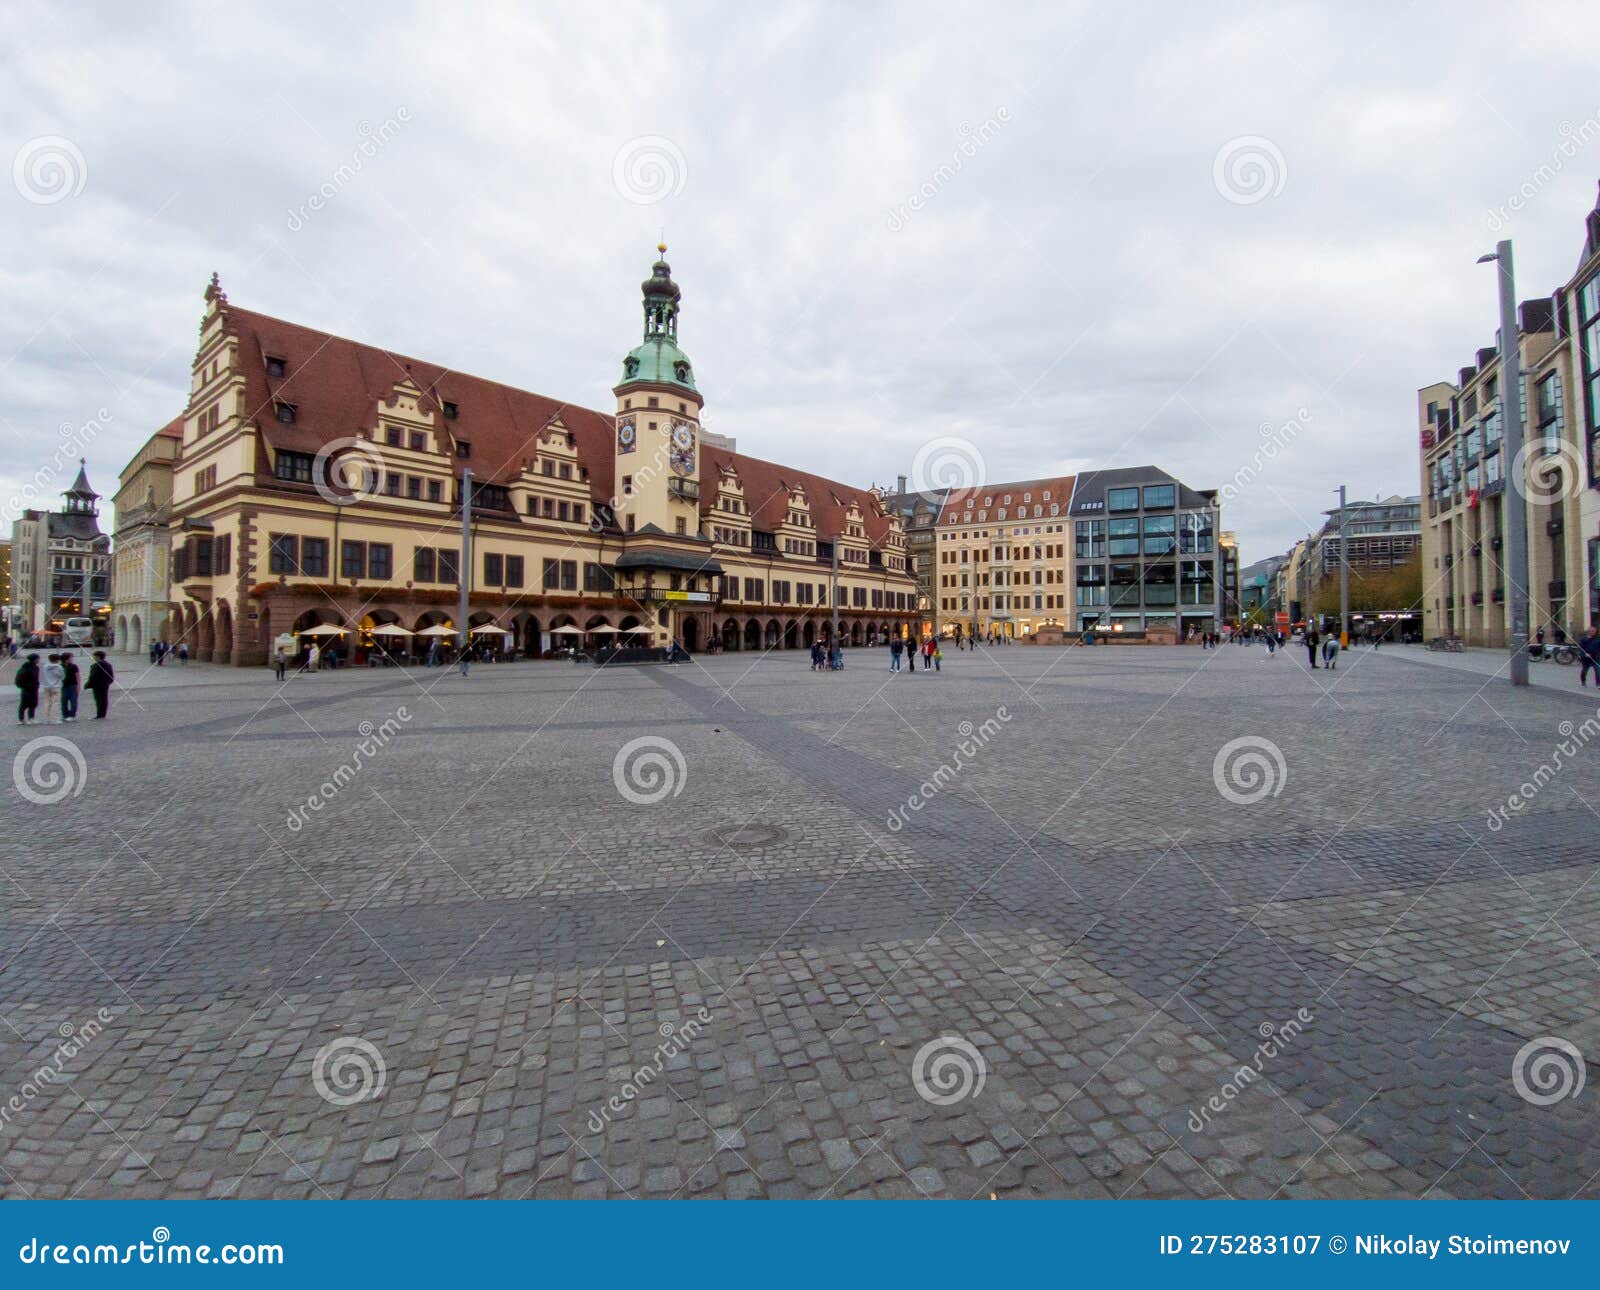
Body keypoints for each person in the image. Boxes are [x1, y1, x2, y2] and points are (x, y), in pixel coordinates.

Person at [86, 651, 114, 719]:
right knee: (104, 699)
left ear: (98, 657)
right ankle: (103, 714)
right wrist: (108, 682)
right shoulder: (108, 665)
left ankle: (99, 714)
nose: (93, 657)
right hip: (105, 685)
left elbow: (93, 677)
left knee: (99, 700)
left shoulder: (96, 666)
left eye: (94, 656)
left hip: (97, 685)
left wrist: (88, 685)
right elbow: (111, 676)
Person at [15, 653, 40, 724]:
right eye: (38, 659)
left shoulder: (36, 668)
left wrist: (36, 685)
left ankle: (31, 718)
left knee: (33, 704)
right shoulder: (25, 668)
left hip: (34, 688)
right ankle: (21, 719)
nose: (39, 660)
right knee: (24, 704)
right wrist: (24, 686)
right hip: (26, 689)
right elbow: (19, 679)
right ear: (34, 660)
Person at [41, 653, 64, 721]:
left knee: (47, 702)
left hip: (46, 686)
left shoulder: (44, 666)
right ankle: (55, 718)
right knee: (56, 702)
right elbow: (62, 676)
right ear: (57, 660)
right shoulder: (59, 667)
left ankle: (47, 718)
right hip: (56, 686)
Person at [60, 652, 81, 721]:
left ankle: (72, 715)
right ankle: (65, 715)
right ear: (66, 659)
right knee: (63, 701)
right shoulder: (60, 666)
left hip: (73, 685)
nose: (72, 659)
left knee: (73, 701)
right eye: (70, 658)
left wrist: (78, 686)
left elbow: (77, 676)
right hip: (63, 686)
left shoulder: (74, 666)